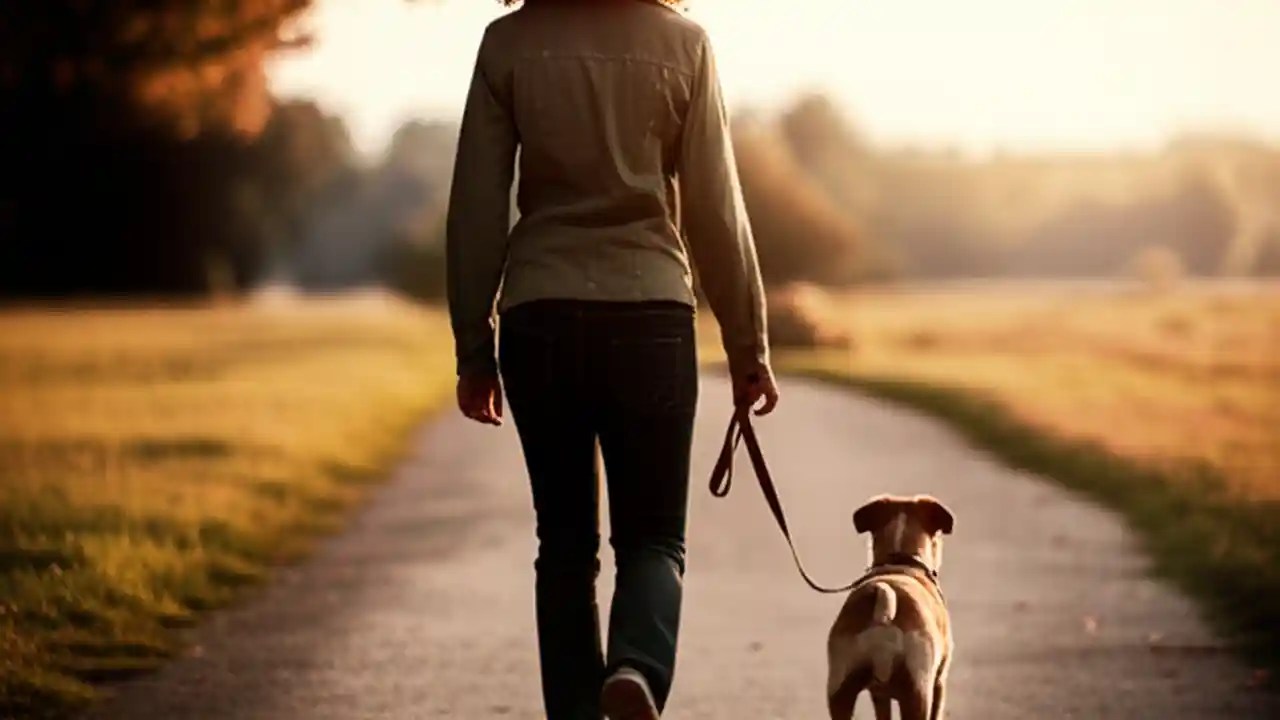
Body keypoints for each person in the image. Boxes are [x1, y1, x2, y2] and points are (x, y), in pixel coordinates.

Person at [446, 0, 778, 717]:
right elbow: (717, 208)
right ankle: (636, 668)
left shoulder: (507, 43)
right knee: (653, 538)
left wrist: (474, 346)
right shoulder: (685, 44)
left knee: (564, 545)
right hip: (651, 312)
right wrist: (747, 346)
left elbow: (477, 203)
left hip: (540, 314)